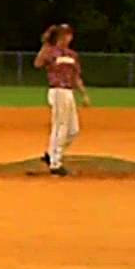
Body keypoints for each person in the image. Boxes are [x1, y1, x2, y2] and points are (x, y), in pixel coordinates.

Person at [33, 23, 90, 176]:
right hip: (57, 90)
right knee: (60, 126)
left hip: (69, 92)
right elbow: (37, 64)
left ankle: (51, 153)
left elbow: (76, 77)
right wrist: (45, 44)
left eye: (69, 34)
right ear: (59, 36)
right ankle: (55, 163)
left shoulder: (72, 55)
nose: (68, 37)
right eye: (65, 34)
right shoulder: (51, 51)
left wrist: (84, 94)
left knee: (73, 130)